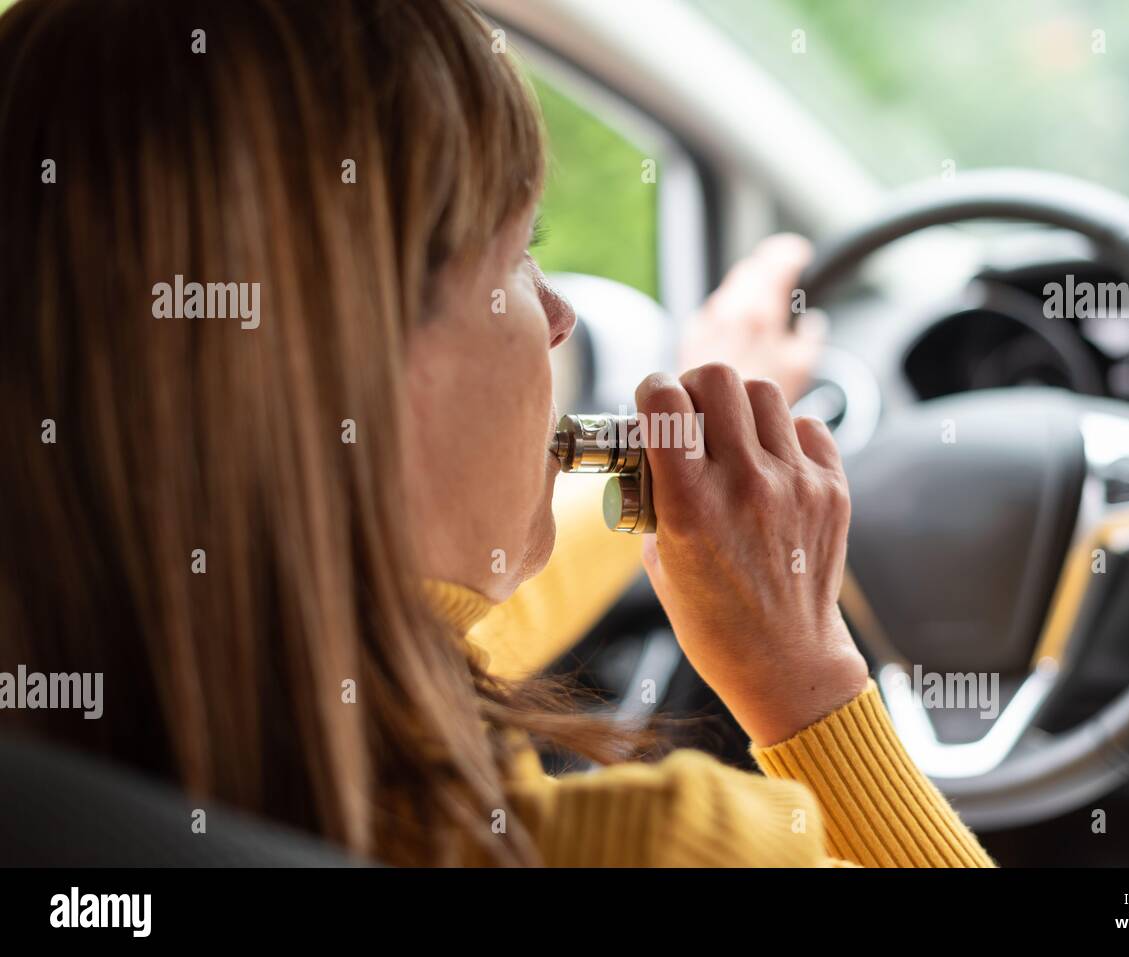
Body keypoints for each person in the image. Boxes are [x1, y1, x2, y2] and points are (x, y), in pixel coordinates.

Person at [0, 0, 993, 867]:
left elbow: (398, 609)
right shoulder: (662, 849)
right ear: (357, 354)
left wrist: (662, 498)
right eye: (521, 253)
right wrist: (805, 675)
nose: (560, 316)